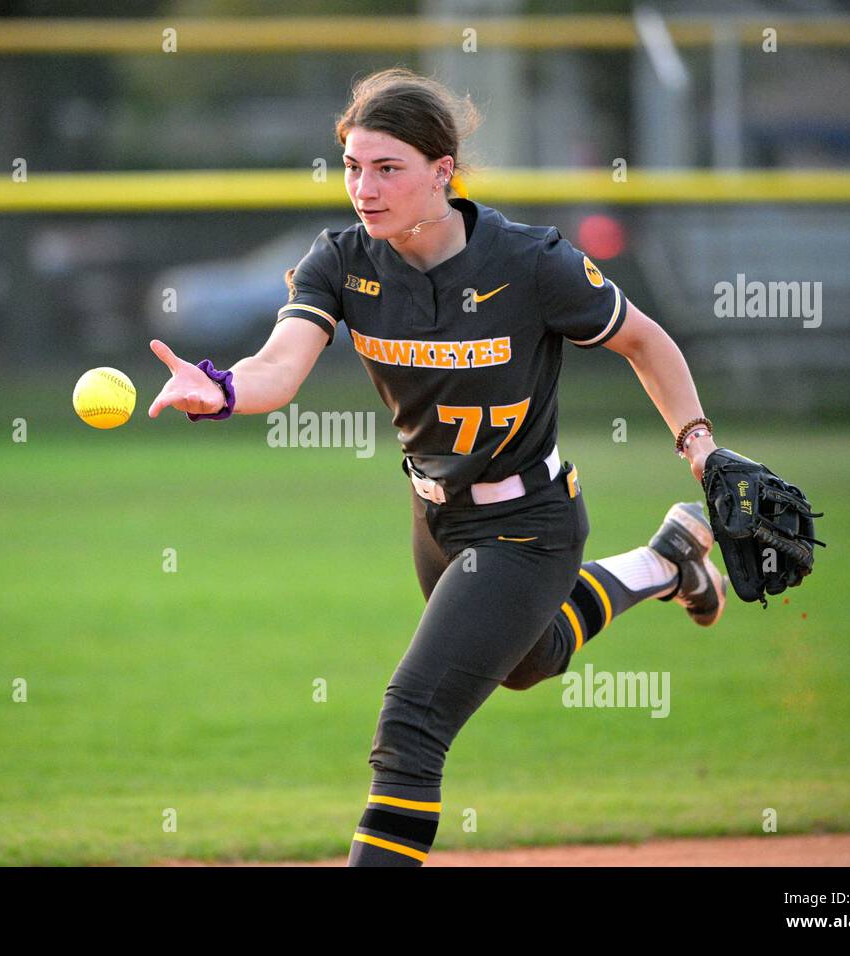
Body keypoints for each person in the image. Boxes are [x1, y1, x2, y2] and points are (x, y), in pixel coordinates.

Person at [147, 67, 726, 867]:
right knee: (529, 661)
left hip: (531, 523)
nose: (364, 187)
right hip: (438, 518)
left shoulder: (530, 262)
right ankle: (666, 561)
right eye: (353, 166)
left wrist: (700, 446)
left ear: (443, 171)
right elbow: (279, 369)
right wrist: (217, 388)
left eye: (388, 168)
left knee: (413, 717)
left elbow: (644, 341)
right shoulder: (342, 261)